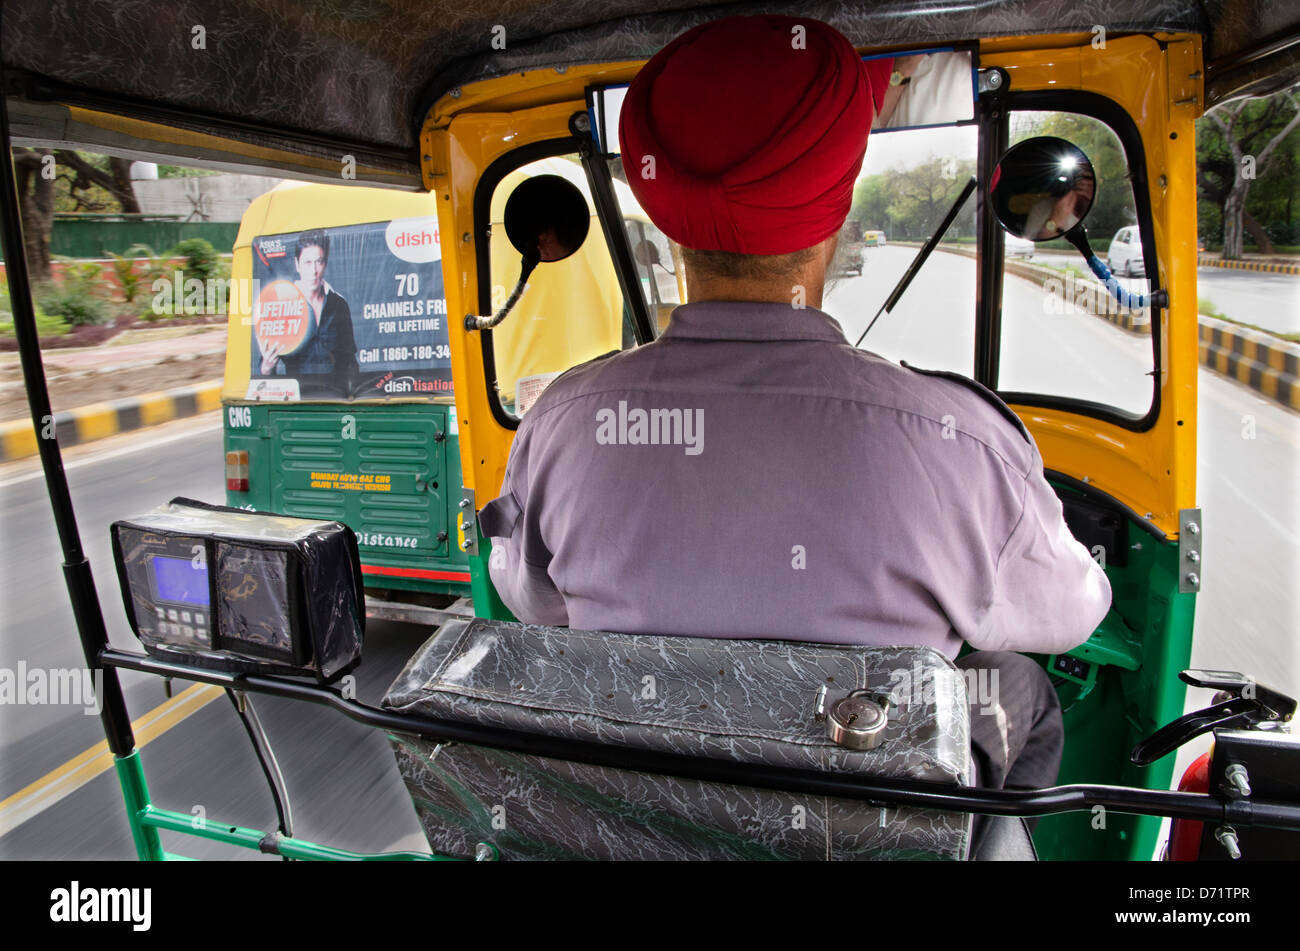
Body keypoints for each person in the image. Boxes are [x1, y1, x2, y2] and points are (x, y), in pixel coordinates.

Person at [479, 16, 1111, 807]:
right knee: (1017, 683)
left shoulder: (564, 423)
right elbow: (1070, 613)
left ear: (666, 221)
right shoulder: (960, 443)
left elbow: (531, 597)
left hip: (648, 822)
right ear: (836, 215)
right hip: (870, 832)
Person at [253, 230, 358, 398]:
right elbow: (265, 371)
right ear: (297, 264)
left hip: (336, 399)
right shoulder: (283, 306)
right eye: (307, 262)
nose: (314, 270)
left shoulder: (339, 305)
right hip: (297, 400)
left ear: (326, 263)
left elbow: (350, 362)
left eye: (319, 262)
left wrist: (353, 396)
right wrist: (266, 367)